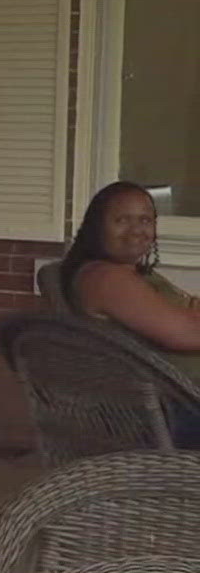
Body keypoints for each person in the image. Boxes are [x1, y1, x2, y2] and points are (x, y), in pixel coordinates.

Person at [59, 179, 200, 442]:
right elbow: (189, 333)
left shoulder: (129, 274)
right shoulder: (107, 279)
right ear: (97, 227)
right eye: (122, 220)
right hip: (169, 413)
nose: (136, 230)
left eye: (145, 220)